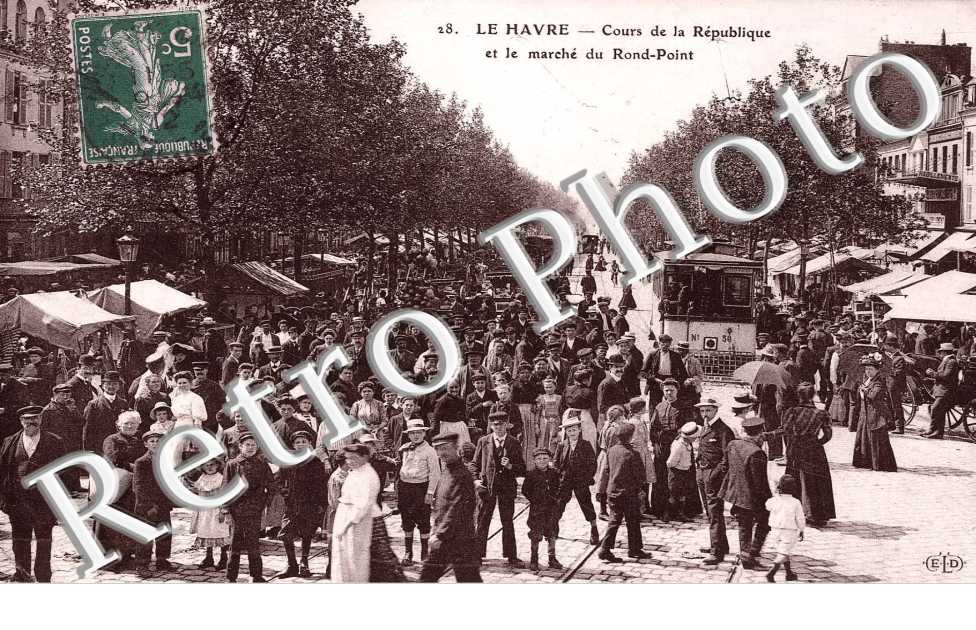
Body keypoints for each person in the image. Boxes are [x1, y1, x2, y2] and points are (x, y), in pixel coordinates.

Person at [0, 405, 65, 582]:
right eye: (27, 419)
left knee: (44, 540)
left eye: (35, 418)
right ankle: (22, 575)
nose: (31, 422)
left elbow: (64, 472)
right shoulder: (9, 441)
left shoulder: (55, 441)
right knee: (20, 539)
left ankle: (43, 576)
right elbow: (3, 471)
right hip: (18, 501)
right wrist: (4, 499)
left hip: (44, 501)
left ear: (41, 419)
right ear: (21, 421)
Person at [420, 431, 482, 582]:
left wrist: (440, 534)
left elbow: (457, 507)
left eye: (445, 448)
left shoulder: (462, 475)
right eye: (437, 449)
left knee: (467, 580)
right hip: (448, 537)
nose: (441, 453)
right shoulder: (447, 471)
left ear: (456, 448)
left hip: (459, 539)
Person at [777, 383, 836, 526]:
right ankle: (818, 514)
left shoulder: (792, 412)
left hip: (796, 448)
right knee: (816, 481)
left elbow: (785, 430)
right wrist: (817, 443)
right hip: (815, 450)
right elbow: (828, 435)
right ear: (813, 395)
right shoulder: (821, 413)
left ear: (799, 395)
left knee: (796, 478)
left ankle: (794, 512)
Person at [472, 411, 526, 566]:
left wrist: (510, 466)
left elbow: (522, 468)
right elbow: (474, 464)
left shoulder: (513, 442)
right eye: (495, 425)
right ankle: (477, 555)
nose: (499, 428)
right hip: (487, 487)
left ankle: (511, 555)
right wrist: (476, 480)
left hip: (506, 488)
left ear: (507, 425)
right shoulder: (483, 441)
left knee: (507, 521)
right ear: (491, 426)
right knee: (483, 520)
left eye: (502, 425)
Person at [719, 414, 772, 570]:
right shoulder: (757, 453)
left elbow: (724, 466)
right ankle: (749, 555)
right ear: (760, 433)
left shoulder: (733, 444)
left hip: (734, 493)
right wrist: (770, 500)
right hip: (750, 497)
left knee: (744, 526)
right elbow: (760, 483)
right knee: (764, 522)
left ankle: (747, 553)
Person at [222, 431, 275, 583]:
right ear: (240, 446)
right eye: (247, 445)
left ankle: (256, 575)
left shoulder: (262, 464)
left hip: (254, 510)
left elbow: (271, 485)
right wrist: (226, 510)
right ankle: (231, 577)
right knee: (235, 544)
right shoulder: (232, 464)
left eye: (253, 445)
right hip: (236, 511)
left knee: (253, 543)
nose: (251, 447)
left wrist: (264, 502)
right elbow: (225, 488)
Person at [276, 430, 329, 578]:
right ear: (293, 445)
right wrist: (285, 493)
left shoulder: (315, 462)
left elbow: (321, 485)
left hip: (309, 504)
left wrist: (320, 504)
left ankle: (304, 562)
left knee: (307, 533)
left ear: (309, 444)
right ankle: (291, 564)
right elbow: (279, 480)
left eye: (304, 442)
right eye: (297, 442)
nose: (300, 445)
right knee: (286, 534)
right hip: (292, 504)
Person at [598, 422, 649, 563]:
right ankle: (634, 549)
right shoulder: (633, 453)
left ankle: (605, 549)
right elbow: (640, 475)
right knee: (633, 521)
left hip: (613, 491)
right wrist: (640, 489)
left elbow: (607, 470)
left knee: (614, 521)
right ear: (630, 437)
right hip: (629, 493)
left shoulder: (612, 450)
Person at [332, 443, 381, 582]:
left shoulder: (368, 475)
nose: (349, 461)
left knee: (356, 556)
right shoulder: (355, 472)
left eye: (354, 458)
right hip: (345, 514)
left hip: (357, 521)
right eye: (347, 458)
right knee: (343, 555)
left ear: (365, 457)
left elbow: (363, 504)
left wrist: (347, 525)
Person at [396, 418, 441, 566]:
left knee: (423, 520)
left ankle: (424, 552)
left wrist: (430, 492)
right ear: (408, 435)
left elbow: (435, 473)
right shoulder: (405, 449)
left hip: (421, 488)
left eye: (419, 433)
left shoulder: (430, 451)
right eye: (412, 433)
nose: (415, 436)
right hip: (405, 488)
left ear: (424, 433)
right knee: (406, 520)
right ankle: (408, 552)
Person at [695, 398, 735, 565]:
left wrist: (715, 474)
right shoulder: (705, 427)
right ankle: (721, 545)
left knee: (715, 513)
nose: (704, 414)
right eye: (702, 411)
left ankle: (716, 552)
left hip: (713, 475)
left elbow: (727, 457)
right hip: (702, 472)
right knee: (710, 511)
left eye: (708, 410)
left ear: (715, 410)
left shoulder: (723, 430)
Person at [552, 415, 600, 545]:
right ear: (565, 432)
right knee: (559, 504)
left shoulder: (585, 445)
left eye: (574, 430)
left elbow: (592, 464)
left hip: (581, 480)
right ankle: (554, 527)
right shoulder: (562, 445)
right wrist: (558, 475)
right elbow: (556, 462)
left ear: (579, 430)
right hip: (565, 480)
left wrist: (587, 477)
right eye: (569, 431)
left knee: (586, 504)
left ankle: (594, 528)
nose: (572, 433)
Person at [133, 429, 175, 577]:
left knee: (165, 533)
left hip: (163, 503)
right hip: (147, 506)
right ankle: (142, 564)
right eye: (152, 441)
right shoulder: (141, 462)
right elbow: (138, 486)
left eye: (158, 441)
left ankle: (162, 560)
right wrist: (148, 506)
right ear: (146, 444)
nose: (155, 444)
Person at [853, 355, 898, 472]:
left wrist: (864, 391)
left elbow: (873, 395)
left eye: (871, 369)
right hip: (865, 413)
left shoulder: (879, 381)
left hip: (876, 414)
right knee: (863, 437)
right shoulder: (867, 380)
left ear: (877, 370)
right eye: (866, 369)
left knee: (876, 439)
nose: (868, 372)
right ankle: (864, 462)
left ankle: (879, 464)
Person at [39, 383, 85, 496]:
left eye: (68, 394)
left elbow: (81, 422)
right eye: (62, 394)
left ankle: (74, 486)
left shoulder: (70, 407)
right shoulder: (48, 410)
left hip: (72, 442)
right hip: (56, 444)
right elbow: (42, 429)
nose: (66, 397)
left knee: (72, 464)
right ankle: (64, 490)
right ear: (55, 395)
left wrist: (73, 410)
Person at [522, 447, 564, 570]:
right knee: (535, 534)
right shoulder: (531, 474)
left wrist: (555, 499)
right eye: (539, 459)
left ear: (549, 459)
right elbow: (525, 490)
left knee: (552, 532)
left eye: (545, 458)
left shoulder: (554, 473)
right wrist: (534, 500)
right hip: (537, 510)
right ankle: (534, 559)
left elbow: (559, 487)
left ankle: (552, 558)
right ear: (534, 461)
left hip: (551, 509)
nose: (542, 461)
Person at [189, 458, 231, 571]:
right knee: (206, 531)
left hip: (216, 510)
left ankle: (224, 558)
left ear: (217, 465)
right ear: (202, 467)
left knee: (220, 532)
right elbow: (199, 492)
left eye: (212, 465)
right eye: (206, 465)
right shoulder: (202, 478)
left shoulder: (220, 479)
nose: (210, 467)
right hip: (205, 511)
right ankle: (209, 557)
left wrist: (223, 511)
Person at [765, 474, 805, 583]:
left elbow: (767, 505)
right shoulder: (796, 502)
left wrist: (776, 494)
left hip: (775, 530)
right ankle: (772, 572)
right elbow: (800, 518)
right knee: (783, 552)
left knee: (783, 551)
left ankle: (789, 573)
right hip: (789, 531)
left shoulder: (774, 500)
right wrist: (801, 529)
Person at [82, 370, 128, 455]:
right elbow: (87, 430)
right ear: (103, 385)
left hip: (119, 447)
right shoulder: (93, 405)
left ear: (119, 386)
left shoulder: (123, 403)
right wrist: (89, 451)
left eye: (115, 384)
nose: (111, 387)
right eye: (108, 384)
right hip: (100, 446)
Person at [924, 343, 960, 439]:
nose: (939, 354)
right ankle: (934, 430)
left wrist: (933, 374)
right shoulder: (947, 360)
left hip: (946, 390)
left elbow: (946, 376)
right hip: (942, 390)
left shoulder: (951, 362)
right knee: (938, 410)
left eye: (941, 352)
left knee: (936, 409)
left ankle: (937, 432)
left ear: (945, 352)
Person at [666, 422, 700, 522]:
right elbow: (670, 462)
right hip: (676, 472)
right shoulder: (679, 445)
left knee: (682, 494)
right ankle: (669, 514)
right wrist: (677, 467)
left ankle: (680, 513)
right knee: (674, 494)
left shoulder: (686, 443)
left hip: (684, 471)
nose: (696, 439)